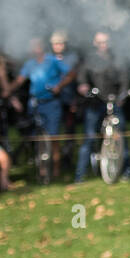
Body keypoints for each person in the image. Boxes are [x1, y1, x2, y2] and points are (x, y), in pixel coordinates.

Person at [75, 31, 130, 182]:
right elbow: (82, 78)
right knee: (89, 137)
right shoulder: (89, 59)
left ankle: (127, 171)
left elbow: (125, 79)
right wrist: (83, 87)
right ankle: (80, 175)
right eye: (100, 42)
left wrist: (122, 96)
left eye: (105, 41)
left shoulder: (117, 59)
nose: (103, 45)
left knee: (120, 136)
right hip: (95, 103)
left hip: (114, 102)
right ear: (95, 43)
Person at [11, 37, 67, 181]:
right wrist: (8, 90)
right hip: (35, 103)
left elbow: (70, 73)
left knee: (54, 137)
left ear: (42, 47)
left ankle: (56, 169)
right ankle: (41, 169)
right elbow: (19, 80)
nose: (34, 49)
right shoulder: (30, 64)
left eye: (37, 46)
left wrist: (59, 86)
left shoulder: (53, 60)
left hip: (51, 103)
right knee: (35, 136)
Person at [50, 31, 82, 171]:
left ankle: (68, 160)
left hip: (68, 100)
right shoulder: (48, 58)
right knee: (53, 132)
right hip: (51, 100)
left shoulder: (73, 58)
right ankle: (52, 162)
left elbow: (77, 79)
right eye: (55, 43)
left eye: (60, 43)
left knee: (69, 131)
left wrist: (75, 100)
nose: (58, 46)